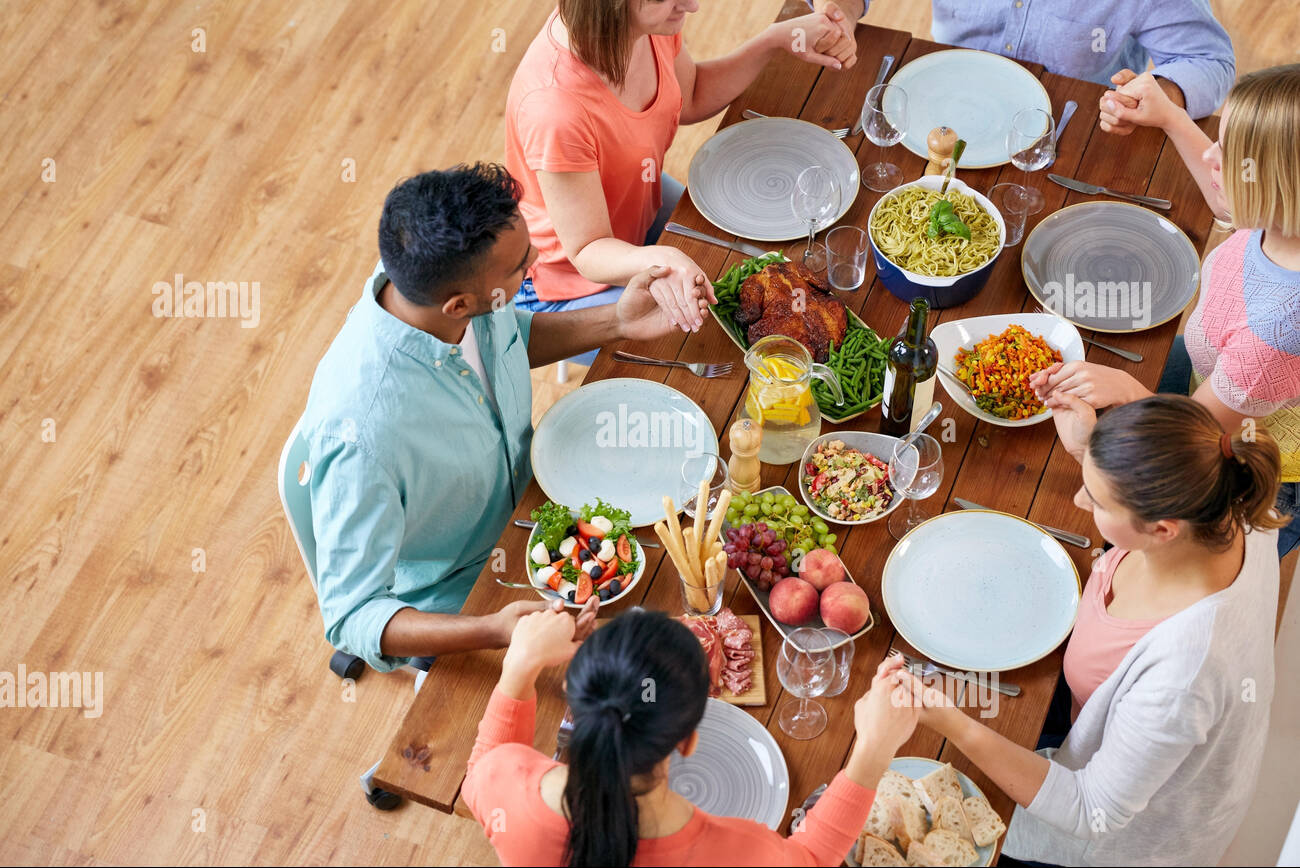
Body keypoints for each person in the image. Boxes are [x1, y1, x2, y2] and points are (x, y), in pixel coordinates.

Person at [301, 163, 680, 672]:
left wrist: (617, 320)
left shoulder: (447, 287)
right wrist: (496, 629)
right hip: (472, 597)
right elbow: (352, 615)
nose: (540, 260)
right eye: (522, 265)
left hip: (542, 508)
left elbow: (510, 337)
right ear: (458, 305)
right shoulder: (361, 434)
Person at [900, 395, 1284, 866]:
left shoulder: (1183, 673)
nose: (1081, 500)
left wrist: (952, 722)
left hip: (1128, 834)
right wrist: (1092, 453)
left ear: (1163, 529)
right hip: (1115, 727)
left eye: (1096, 498)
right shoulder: (1227, 502)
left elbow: (1089, 807)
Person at [1032, 65, 1300, 558]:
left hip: (1239, 451)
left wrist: (1130, 391)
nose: (1211, 155)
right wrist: (1172, 117)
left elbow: (1195, 438)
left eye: (1231, 154)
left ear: (1279, 184)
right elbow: (1229, 203)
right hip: (1213, 374)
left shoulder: (1277, 330)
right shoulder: (1281, 221)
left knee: (1145, 542)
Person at [462, 607, 917, 866]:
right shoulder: (742, 853)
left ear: (573, 698)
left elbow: (485, 768)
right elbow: (813, 858)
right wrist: (874, 749)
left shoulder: (504, 786)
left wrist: (518, 665)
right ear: (687, 743)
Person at [507, 1, 859, 334]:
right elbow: (587, 249)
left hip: (635, 211)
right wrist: (666, 257)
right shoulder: (554, 109)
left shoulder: (648, 24)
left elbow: (690, 94)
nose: (692, 6)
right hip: (567, 285)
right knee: (720, 330)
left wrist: (776, 39)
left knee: (750, 261)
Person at [819, 0, 1234, 125]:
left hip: (1070, 126)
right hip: (938, 101)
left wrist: (1161, 94)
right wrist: (841, 11)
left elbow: (1209, 60)